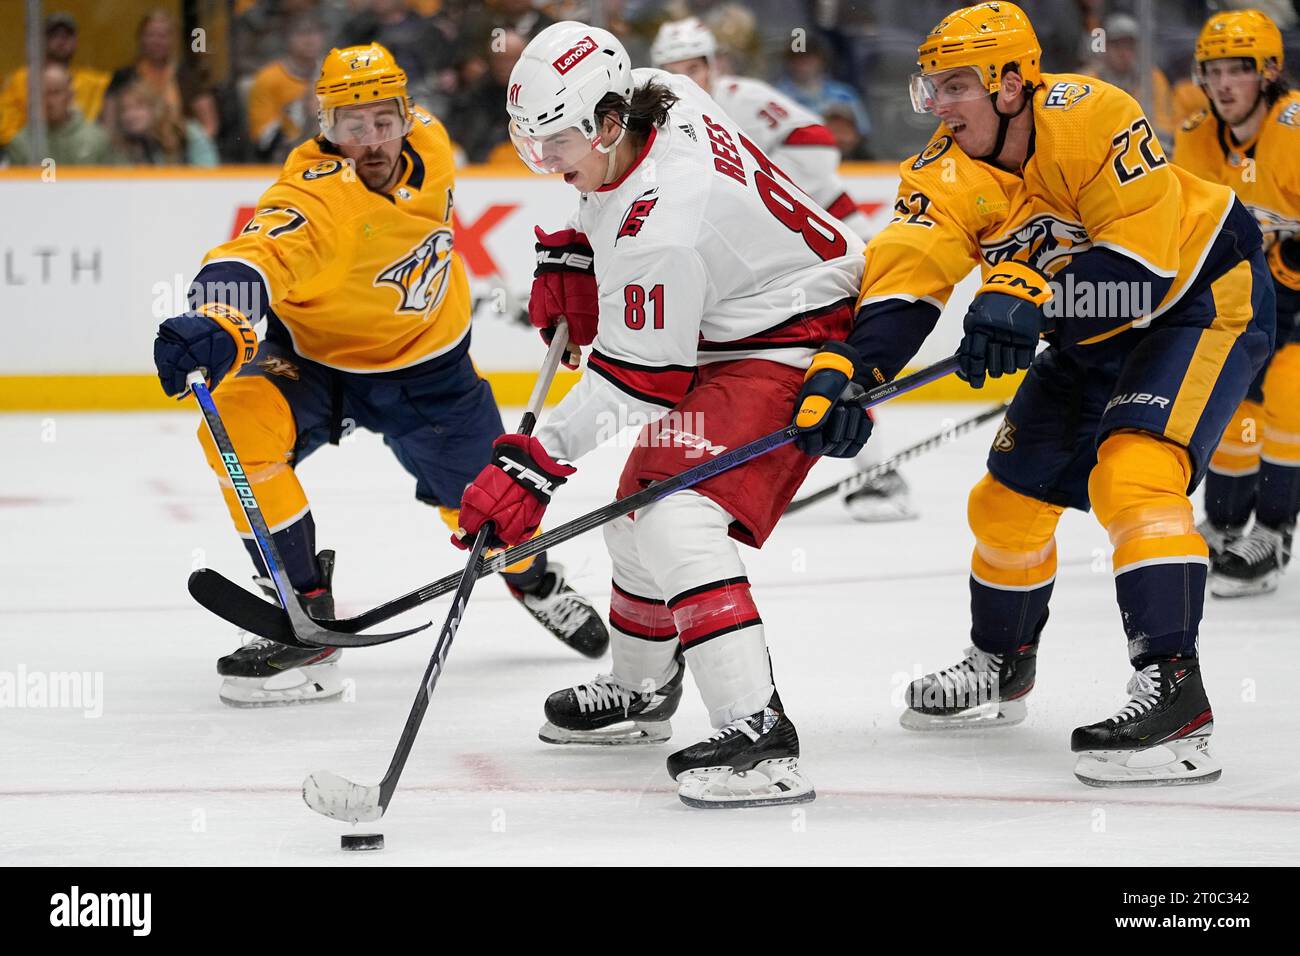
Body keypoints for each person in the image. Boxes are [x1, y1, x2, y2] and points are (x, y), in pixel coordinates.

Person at [820, 2, 1271, 786]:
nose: (938, 104)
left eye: (956, 84)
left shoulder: (1093, 113)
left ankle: (1175, 693)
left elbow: (1142, 272)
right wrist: (853, 368)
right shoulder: (942, 168)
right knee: (1004, 504)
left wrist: (1031, 297)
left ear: (1011, 84)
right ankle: (1001, 666)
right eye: (931, 86)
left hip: (1198, 300)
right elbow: (910, 277)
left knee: (1132, 475)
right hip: (1085, 330)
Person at [454, 22, 868, 808]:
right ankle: (642, 689)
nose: (546, 165)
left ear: (610, 125)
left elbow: (641, 382)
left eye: (556, 145)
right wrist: (578, 246)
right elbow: (608, 199)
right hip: (736, 317)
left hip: (795, 336)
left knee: (675, 516)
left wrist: (535, 464)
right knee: (630, 514)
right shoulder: (656, 90)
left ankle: (759, 736)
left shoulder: (660, 228)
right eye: (529, 145)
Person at [151, 44, 608, 708]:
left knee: (496, 516)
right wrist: (221, 319)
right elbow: (254, 256)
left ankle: (534, 579)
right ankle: (304, 614)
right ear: (325, 129)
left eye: (383, 120)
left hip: (431, 376)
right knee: (236, 434)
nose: (372, 140)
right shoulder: (315, 198)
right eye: (351, 125)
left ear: (408, 113)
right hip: (313, 364)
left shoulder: (435, 141)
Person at [651, 16, 915, 523]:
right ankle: (744, 466)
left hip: (821, 247)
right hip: (773, 258)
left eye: (691, 67)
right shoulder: (668, 117)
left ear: (713, 65)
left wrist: (775, 191)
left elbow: (814, 136)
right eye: (670, 69)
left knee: (824, 359)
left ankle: (880, 471)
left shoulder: (739, 98)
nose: (681, 78)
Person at [1175, 10, 1300, 598]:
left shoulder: (1296, 128)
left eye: (1239, 70)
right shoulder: (1197, 133)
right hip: (1244, 296)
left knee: (1290, 395)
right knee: (1230, 406)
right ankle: (1225, 526)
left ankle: (1273, 533)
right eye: (1213, 71)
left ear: (1270, 72)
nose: (1223, 84)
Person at [0, 12, 110, 149]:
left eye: (67, 35)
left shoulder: (95, 82)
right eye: (54, 35)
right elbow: (5, 130)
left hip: (83, 156)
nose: (61, 41)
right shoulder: (22, 79)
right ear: (41, 41)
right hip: (34, 155)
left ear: (76, 41)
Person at [246, 13, 327, 163]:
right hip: (283, 161)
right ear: (286, 38)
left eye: (315, 32)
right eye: (302, 33)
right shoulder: (268, 78)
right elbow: (265, 141)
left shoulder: (334, 74)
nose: (309, 40)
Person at [5, 62, 111, 166]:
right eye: (43, 93)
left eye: (56, 92)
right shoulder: (20, 143)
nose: (49, 101)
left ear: (70, 96)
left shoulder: (95, 139)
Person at [106, 79, 218, 167]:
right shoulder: (121, 145)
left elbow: (208, 174)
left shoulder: (187, 133)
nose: (131, 115)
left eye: (138, 107)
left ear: (155, 108)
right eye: (124, 110)